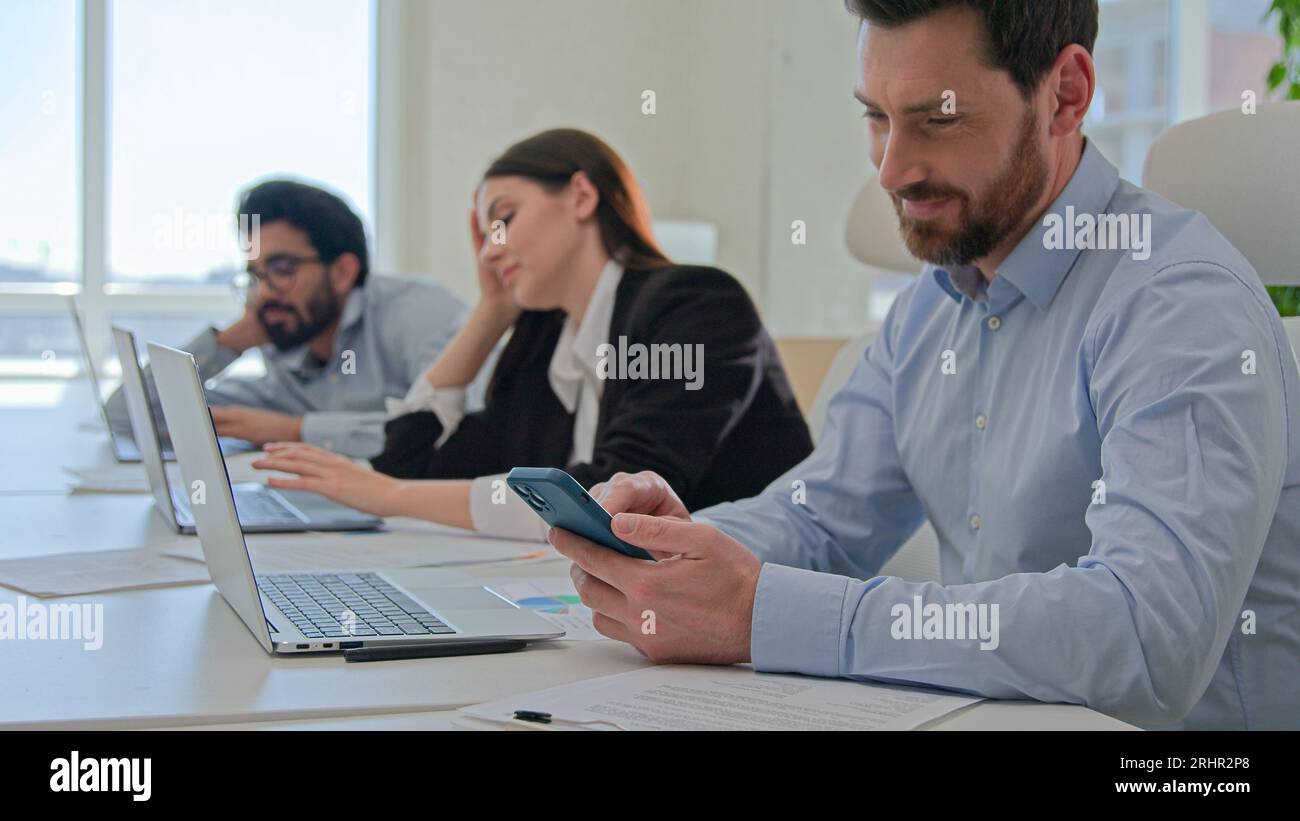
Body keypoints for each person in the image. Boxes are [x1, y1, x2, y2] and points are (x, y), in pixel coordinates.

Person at [547, 0, 1300, 730]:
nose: (891, 170)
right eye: (875, 117)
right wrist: (669, 550)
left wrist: (760, 613)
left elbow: (1144, 635)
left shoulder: (1179, 304)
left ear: (1065, 96)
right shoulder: (931, 307)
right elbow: (821, 519)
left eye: (937, 119)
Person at [253, 129, 814, 539]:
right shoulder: (549, 341)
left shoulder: (695, 304)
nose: (490, 248)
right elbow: (412, 461)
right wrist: (490, 313)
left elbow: (613, 499)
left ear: (581, 195)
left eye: (504, 219)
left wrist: (392, 498)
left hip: (741, 612)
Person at [105, 179, 472, 459]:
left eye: (281, 269)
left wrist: (295, 429)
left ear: (343, 272)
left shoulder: (416, 313)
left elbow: (458, 429)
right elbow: (127, 416)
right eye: (256, 276)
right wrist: (227, 344)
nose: (263, 294)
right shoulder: (286, 358)